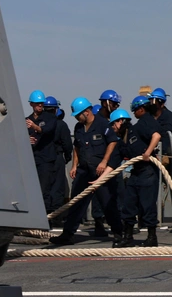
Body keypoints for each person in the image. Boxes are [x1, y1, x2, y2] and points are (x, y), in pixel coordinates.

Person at [49, 97, 125, 246]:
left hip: (100, 170)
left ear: (87, 112)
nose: (77, 118)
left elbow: (113, 142)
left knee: (108, 203)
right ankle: (67, 234)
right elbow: (77, 146)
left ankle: (118, 234)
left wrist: (104, 162)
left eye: (78, 115)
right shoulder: (78, 128)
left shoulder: (102, 124)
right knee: (76, 201)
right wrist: (74, 165)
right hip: (84, 169)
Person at [116, 97, 162, 247]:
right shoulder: (133, 130)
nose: (134, 113)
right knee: (129, 203)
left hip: (147, 171)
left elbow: (156, 135)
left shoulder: (145, 121)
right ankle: (128, 235)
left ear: (141, 109)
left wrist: (148, 153)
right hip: (137, 171)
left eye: (135, 110)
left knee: (148, 205)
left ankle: (151, 237)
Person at [149, 87, 172, 227]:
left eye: (154, 101)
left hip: (165, 156)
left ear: (161, 103)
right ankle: (151, 216)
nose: (152, 103)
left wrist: (171, 157)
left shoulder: (170, 117)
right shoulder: (149, 117)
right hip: (151, 156)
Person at [90, 89, 122, 236]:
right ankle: (98, 222)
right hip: (100, 165)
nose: (115, 107)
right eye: (113, 104)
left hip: (113, 163)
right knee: (99, 195)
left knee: (116, 192)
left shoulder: (111, 121)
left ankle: (116, 224)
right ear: (105, 103)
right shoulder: (98, 123)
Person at [26, 90, 58, 214]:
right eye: (37, 103)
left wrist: (35, 127)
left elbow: (47, 130)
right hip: (33, 158)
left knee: (45, 190)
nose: (40, 105)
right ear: (31, 104)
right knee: (33, 189)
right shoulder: (27, 120)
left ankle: (46, 218)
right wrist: (27, 139)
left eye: (41, 103)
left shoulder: (50, 118)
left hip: (46, 159)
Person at [44, 96, 72, 221]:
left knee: (45, 186)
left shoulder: (39, 124)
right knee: (57, 186)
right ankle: (55, 216)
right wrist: (66, 157)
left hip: (43, 159)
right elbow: (67, 144)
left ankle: (45, 214)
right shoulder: (61, 125)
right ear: (56, 109)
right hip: (56, 158)